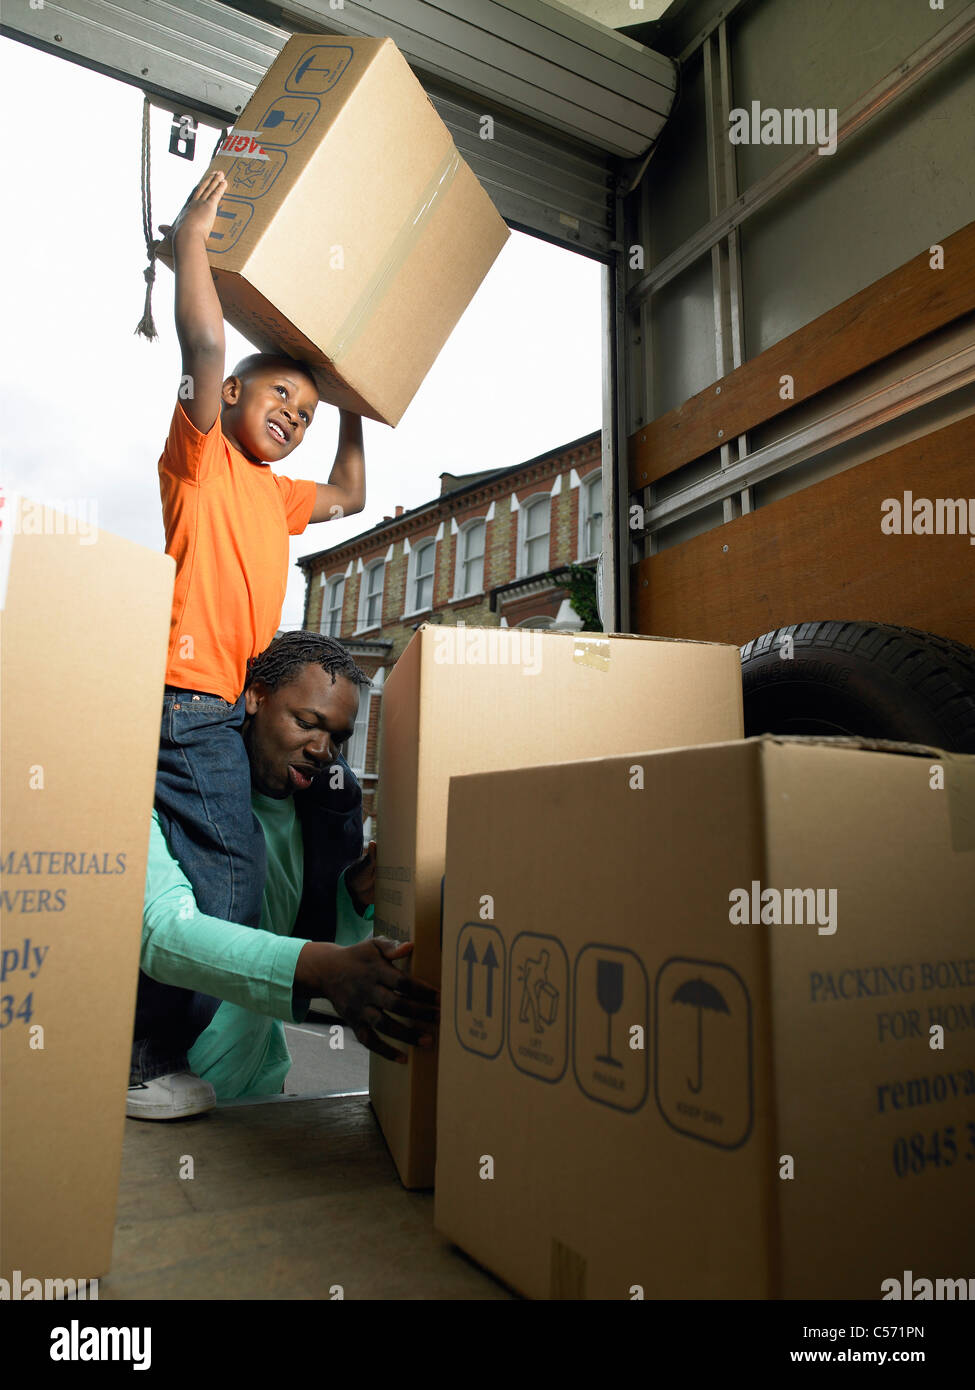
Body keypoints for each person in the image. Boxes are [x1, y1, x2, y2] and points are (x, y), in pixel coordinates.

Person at [154, 166, 366, 960]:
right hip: (186, 693)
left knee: (220, 869)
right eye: (280, 396)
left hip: (220, 705)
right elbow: (206, 345)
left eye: (305, 416)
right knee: (233, 878)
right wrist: (193, 242)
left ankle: (165, 1026)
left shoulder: (278, 497)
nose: (293, 417)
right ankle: (166, 1035)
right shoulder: (200, 458)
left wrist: (352, 406)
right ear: (233, 394)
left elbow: (351, 494)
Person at [128, 632, 438, 1120]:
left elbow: (304, 941)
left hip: (260, 1098)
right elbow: (162, 930)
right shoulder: (162, 792)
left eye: (338, 737)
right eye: (306, 723)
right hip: (156, 1105)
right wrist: (322, 968)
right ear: (256, 697)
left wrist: (353, 899)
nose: (323, 751)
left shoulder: (317, 814)